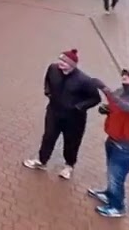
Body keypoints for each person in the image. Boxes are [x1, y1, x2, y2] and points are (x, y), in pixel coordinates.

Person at [23, 49, 101, 179]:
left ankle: (69, 166)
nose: (61, 64)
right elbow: (47, 81)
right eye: (61, 60)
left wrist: (79, 107)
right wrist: (48, 92)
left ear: (72, 66)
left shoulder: (84, 80)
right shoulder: (53, 69)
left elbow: (95, 99)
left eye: (65, 62)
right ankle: (42, 161)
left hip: (74, 119)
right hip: (54, 111)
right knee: (48, 136)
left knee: (71, 142)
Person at [88, 69, 129, 219]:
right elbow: (116, 106)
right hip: (113, 138)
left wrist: (104, 89)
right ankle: (109, 194)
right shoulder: (121, 92)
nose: (124, 77)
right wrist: (108, 109)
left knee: (116, 177)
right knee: (111, 172)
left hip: (128, 146)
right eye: (124, 74)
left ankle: (117, 207)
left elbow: (127, 107)